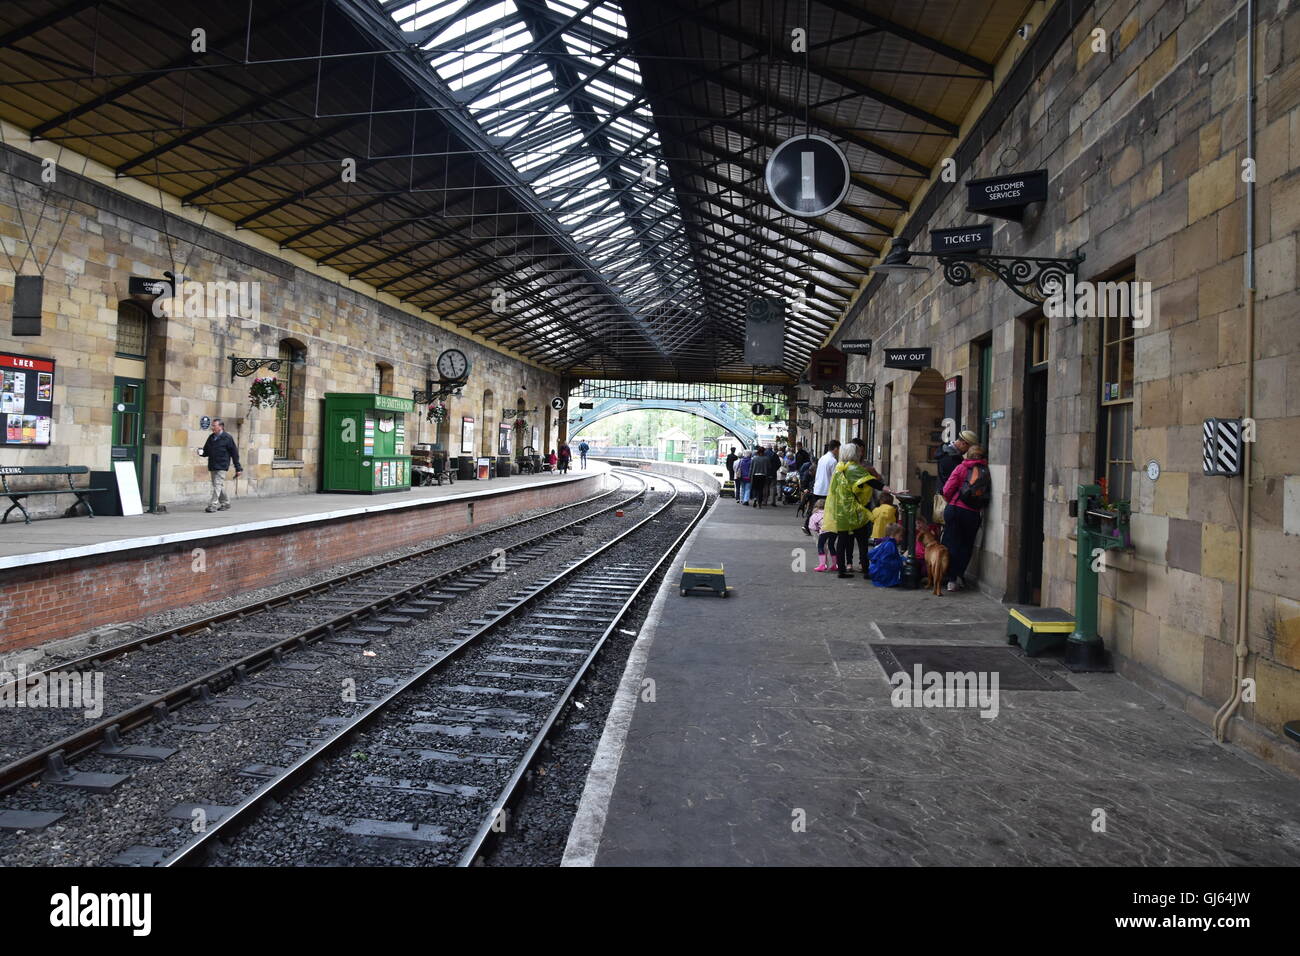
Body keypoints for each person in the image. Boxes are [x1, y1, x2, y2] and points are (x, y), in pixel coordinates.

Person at [941, 443, 990, 592]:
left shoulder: (962, 468)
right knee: (966, 545)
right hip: (973, 513)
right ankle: (960, 575)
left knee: (951, 543)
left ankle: (950, 578)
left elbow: (946, 489)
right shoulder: (986, 471)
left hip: (956, 509)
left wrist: (951, 500)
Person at [822, 442, 874, 579]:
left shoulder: (839, 469)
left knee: (842, 540)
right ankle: (865, 569)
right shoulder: (854, 468)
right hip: (854, 510)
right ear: (854, 454)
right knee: (862, 540)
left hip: (841, 510)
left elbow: (833, 490)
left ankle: (842, 570)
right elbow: (871, 482)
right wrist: (890, 490)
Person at [198, 418, 242, 513]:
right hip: (213, 465)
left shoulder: (227, 438)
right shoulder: (211, 437)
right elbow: (206, 451)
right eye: (212, 425)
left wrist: (238, 468)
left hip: (222, 465)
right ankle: (226, 503)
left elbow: (234, 453)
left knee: (217, 484)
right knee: (218, 485)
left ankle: (212, 505)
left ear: (221, 427)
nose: (212, 427)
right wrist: (201, 453)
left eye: (214, 425)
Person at [868, 523, 905, 588]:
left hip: (878, 574)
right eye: (900, 536)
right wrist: (901, 562)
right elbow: (885, 561)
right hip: (884, 578)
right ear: (893, 534)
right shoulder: (890, 545)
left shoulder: (885, 542)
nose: (901, 538)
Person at [810, 498, 837, 572]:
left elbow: (812, 526)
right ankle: (835, 565)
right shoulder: (831, 513)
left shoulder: (815, 515)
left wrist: (817, 530)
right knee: (831, 546)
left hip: (824, 531)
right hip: (834, 530)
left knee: (820, 546)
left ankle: (822, 565)